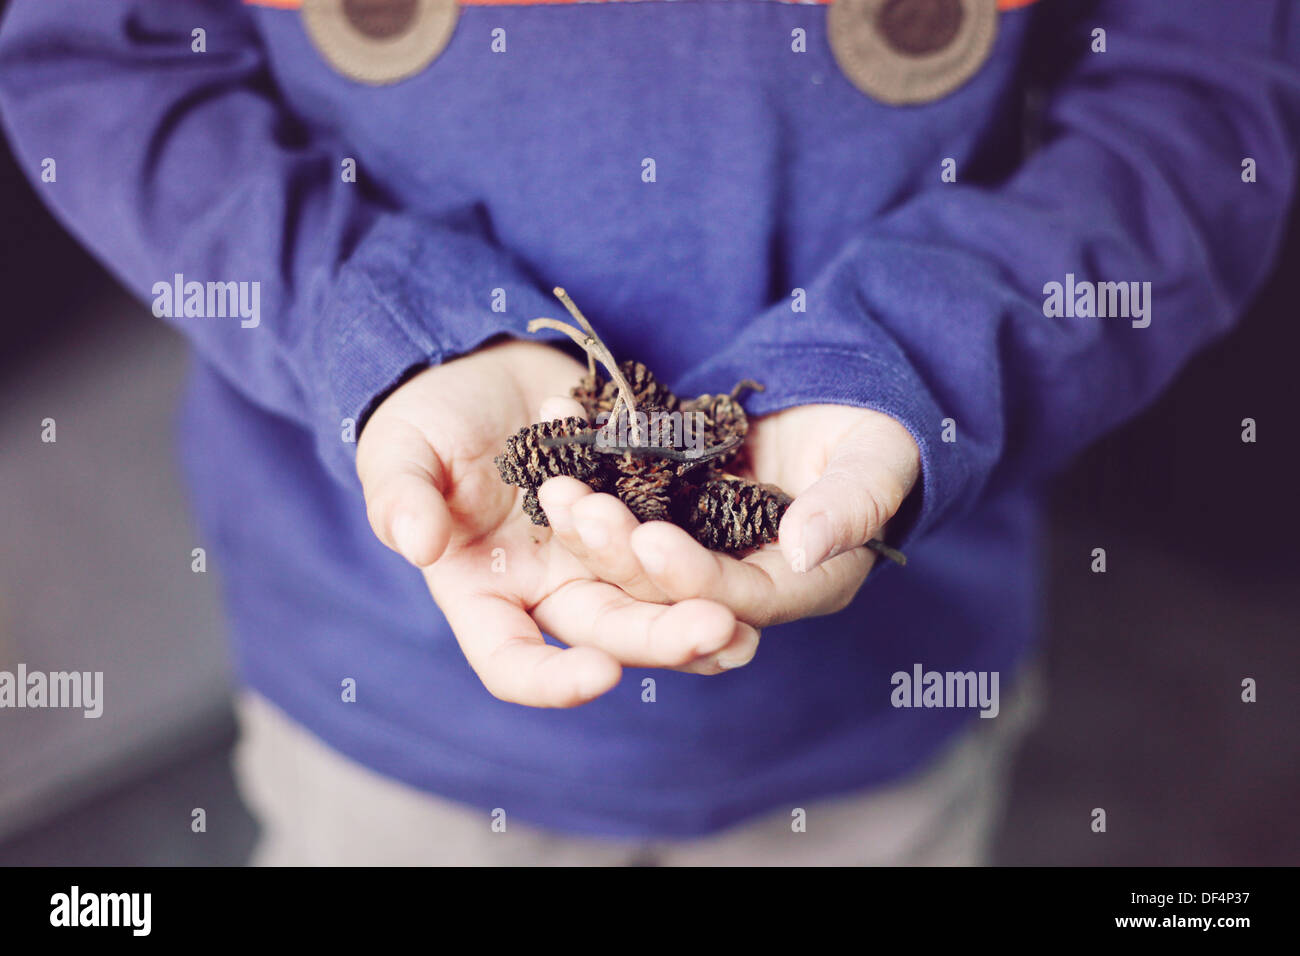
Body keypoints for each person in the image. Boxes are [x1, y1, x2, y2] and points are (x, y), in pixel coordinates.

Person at [0, 0, 1294, 865]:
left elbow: (1209, 96)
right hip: (378, 692)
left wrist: (916, 361)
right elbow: (97, 59)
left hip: (885, 713)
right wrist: (382, 333)